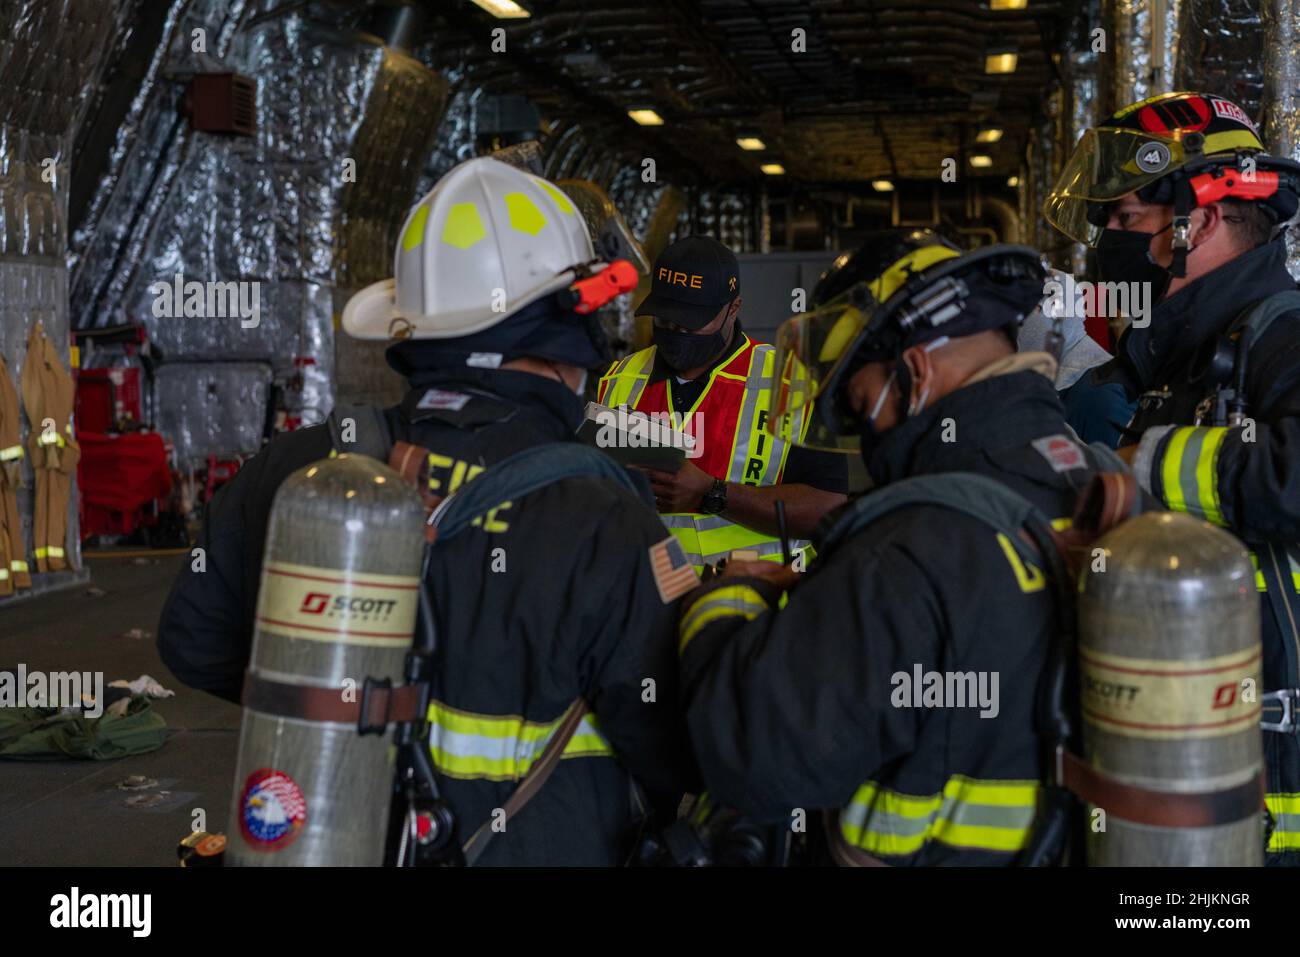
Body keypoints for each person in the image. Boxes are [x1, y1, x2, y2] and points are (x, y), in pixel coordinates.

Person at [157, 157, 700, 865]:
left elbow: (192, 638)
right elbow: (677, 749)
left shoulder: (303, 467)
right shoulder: (603, 514)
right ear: (566, 333)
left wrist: (327, 714)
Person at [673, 230, 1126, 865]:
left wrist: (731, 600)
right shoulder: (1109, 487)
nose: (866, 437)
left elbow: (749, 758)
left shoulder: (908, 547)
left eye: (861, 407)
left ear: (914, 372)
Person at [1044, 91, 1300, 862]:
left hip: (1266, 803)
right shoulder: (1182, 355)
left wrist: (1150, 461)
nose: (1112, 243)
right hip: (1191, 764)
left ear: (1204, 219)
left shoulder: (1281, 334)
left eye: (1126, 221)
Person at [596, 236, 847, 573]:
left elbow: (828, 509)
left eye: (692, 322)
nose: (676, 331)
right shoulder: (618, 381)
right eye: (665, 321)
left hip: (761, 604)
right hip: (652, 605)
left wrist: (714, 494)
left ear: (734, 308)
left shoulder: (791, 384)